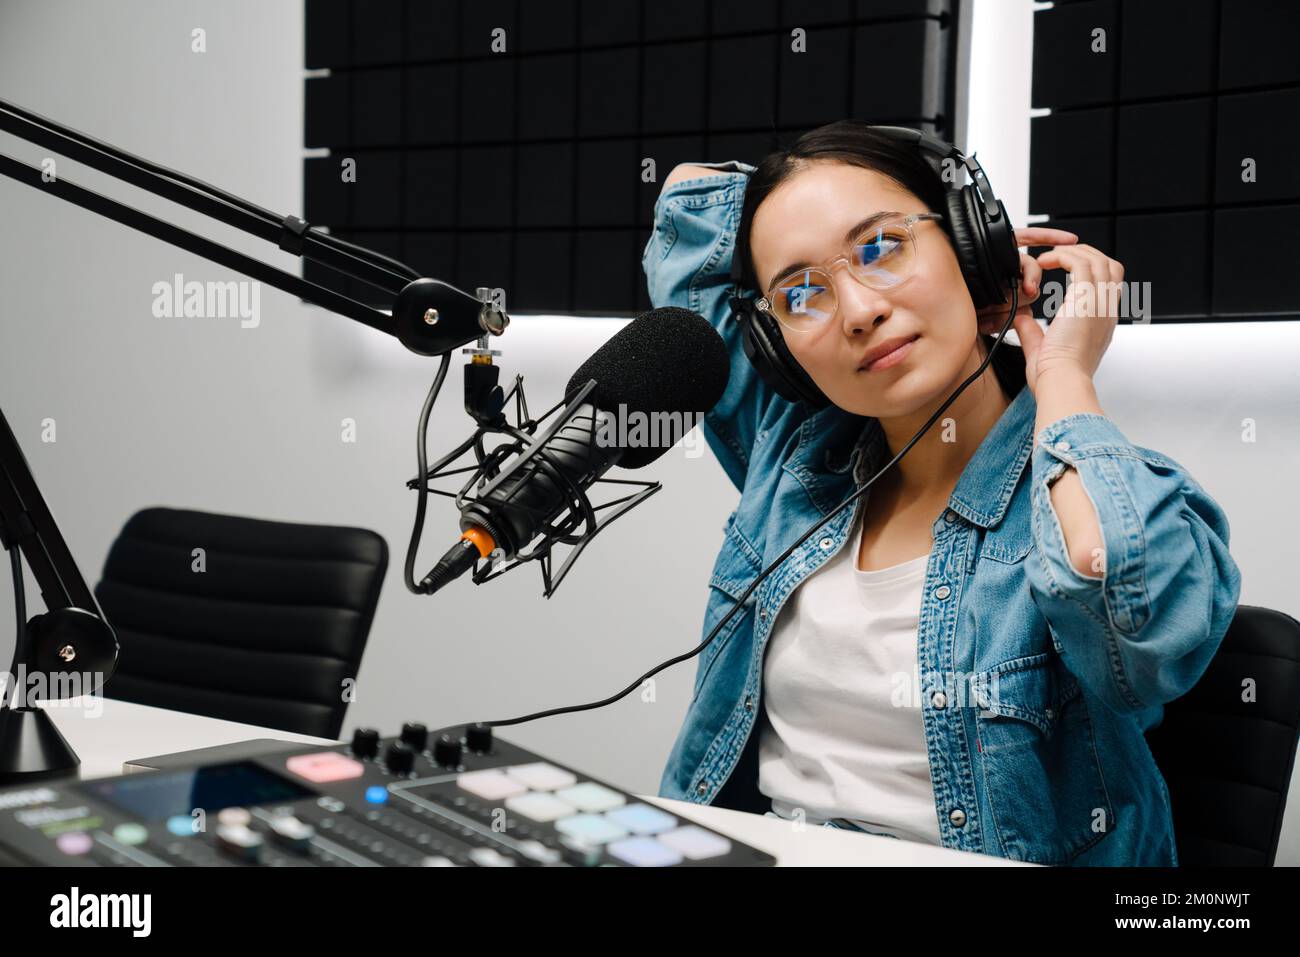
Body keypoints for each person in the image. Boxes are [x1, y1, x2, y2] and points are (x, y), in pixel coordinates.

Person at [641, 120, 1241, 865]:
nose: (859, 310)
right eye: (803, 294)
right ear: (778, 347)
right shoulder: (792, 455)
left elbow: (1128, 620)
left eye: (881, 247)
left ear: (968, 250)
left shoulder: (1100, 495)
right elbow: (688, 207)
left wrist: (1065, 375)